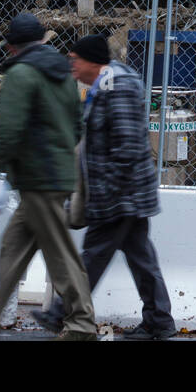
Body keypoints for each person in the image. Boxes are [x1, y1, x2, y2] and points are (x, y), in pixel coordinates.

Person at [33, 34, 176, 342]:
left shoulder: (118, 86)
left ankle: (60, 314)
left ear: (92, 61)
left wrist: (106, 195)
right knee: (141, 259)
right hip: (123, 195)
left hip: (120, 196)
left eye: (75, 60)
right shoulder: (106, 84)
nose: (71, 66)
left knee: (91, 257)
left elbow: (125, 147)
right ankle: (159, 320)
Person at [0, 12, 97, 341]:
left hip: (39, 178)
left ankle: (81, 324)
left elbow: (9, 132)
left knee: (60, 254)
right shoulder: (63, 75)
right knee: (13, 246)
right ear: (41, 41)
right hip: (54, 174)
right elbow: (78, 124)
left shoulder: (21, 75)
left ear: (11, 47)